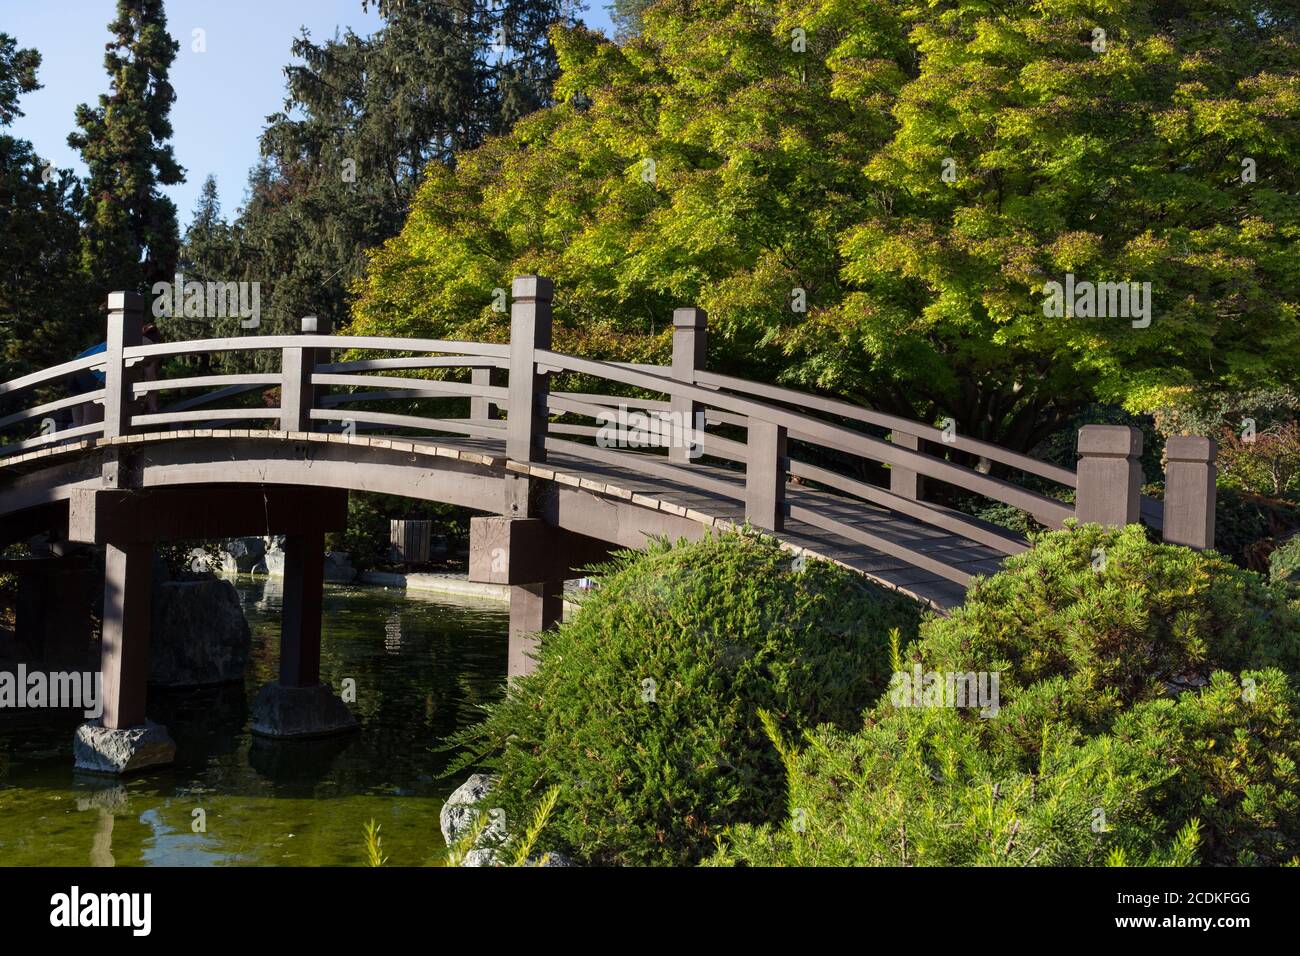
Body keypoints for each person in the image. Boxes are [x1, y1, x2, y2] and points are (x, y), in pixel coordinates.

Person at [69, 324, 163, 429]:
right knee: (91, 427)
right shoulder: (149, 345)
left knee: (78, 426)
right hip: (95, 374)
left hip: (75, 369)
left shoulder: (122, 340)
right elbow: (150, 378)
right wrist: (153, 408)